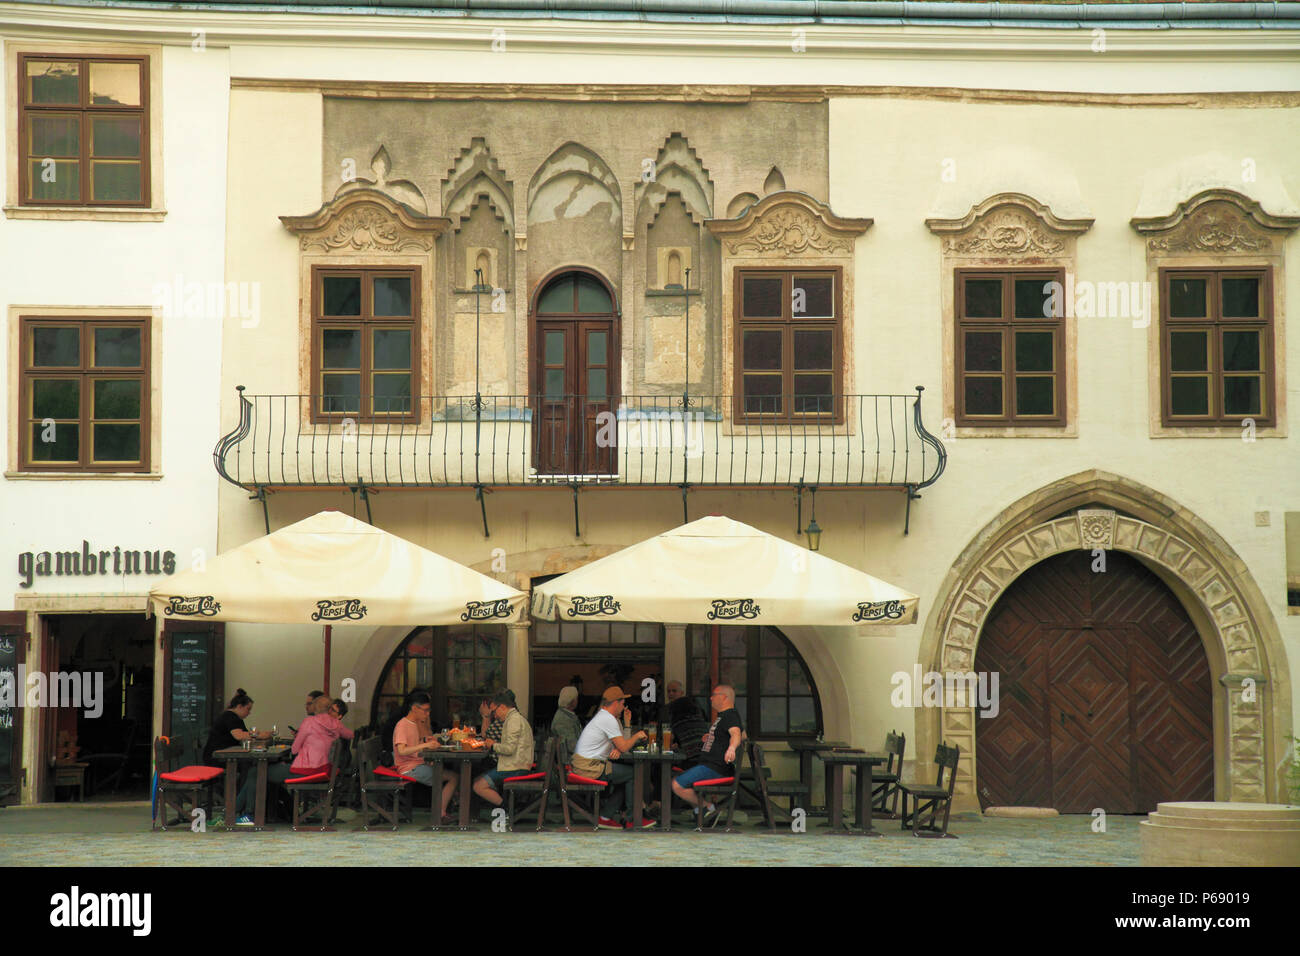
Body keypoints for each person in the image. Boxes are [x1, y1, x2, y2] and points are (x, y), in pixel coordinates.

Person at [241, 698, 354, 822]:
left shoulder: (309, 721)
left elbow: (294, 750)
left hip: (306, 771)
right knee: (264, 772)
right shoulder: (336, 725)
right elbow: (350, 735)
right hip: (324, 769)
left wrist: (305, 739)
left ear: (315, 708)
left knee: (256, 771)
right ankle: (241, 812)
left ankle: (248, 815)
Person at [571, 686, 654, 829]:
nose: (623, 706)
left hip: (585, 765)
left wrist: (621, 742)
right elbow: (623, 747)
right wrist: (636, 735)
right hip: (589, 768)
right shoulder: (607, 719)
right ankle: (632, 819)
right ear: (615, 703)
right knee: (634, 773)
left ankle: (605, 816)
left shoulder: (604, 717)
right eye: (622, 703)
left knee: (627, 776)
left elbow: (621, 746)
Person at [671, 685, 743, 825]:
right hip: (710, 766)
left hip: (714, 768)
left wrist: (732, 748)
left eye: (714, 694)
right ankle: (703, 812)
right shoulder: (724, 716)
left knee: (677, 785)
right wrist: (712, 736)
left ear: (724, 697)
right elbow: (743, 733)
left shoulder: (730, 715)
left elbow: (737, 733)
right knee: (678, 779)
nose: (711, 697)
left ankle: (707, 808)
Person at [392, 691, 457, 823]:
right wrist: (424, 745)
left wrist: (425, 741)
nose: (427, 714)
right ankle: (441, 813)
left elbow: (415, 744)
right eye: (425, 710)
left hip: (417, 764)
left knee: (450, 773)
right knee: (454, 777)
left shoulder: (414, 723)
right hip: (409, 768)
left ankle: (445, 808)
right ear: (414, 708)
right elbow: (402, 750)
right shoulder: (403, 725)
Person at [472, 690, 535, 813]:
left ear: (502, 706)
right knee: (477, 780)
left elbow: (509, 749)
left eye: (494, 711)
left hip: (515, 768)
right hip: (515, 765)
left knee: (478, 786)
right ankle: (508, 808)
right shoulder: (514, 719)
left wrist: (493, 745)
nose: (494, 715)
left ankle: (508, 809)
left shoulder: (513, 721)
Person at [203, 688, 270, 766]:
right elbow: (239, 735)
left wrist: (260, 734)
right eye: (248, 709)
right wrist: (260, 735)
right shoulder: (230, 716)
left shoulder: (235, 717)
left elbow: (246, 735)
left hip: (224, 754)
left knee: (252, 762)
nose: (249, 713)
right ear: (240, 706)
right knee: (252, 763)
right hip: (217, 757)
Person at [666, 680, 709, 768]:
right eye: (668, 691)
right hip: (707, 757)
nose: (671, 694)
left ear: (682, 693)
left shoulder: (674, 710)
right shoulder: (696, 706)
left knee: (658, 767)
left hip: (692, 760)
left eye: (674, 691)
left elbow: (673, 738)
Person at [550, 685, 583, 754]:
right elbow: (571, 746)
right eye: (576, 698)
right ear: (572, 701)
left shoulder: (566, 715)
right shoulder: (564, 720)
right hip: (571, 760)